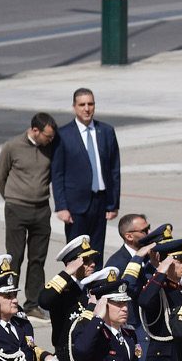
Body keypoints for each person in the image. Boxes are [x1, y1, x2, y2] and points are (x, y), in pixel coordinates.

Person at [0, 113, 58, 306]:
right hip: (17, 209)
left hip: (41, 209)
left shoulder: (50, 147)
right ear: (35, 130)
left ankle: (33, 303)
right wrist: (12, 198)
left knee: (38, 259)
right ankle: (9, 300)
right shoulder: (12, 147)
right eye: (47, 136)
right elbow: (0, 177)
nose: (50, 139)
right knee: (15, 257)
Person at [51, 88, 122, 253]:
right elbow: (57, 173)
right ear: (74, 107)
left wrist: (113, 203)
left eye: (90, 104)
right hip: (76, 205)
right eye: (82, 104)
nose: (87, 108)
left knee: (97, 252)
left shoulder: (106, 131)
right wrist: (61, 206)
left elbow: (114, 169)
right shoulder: (63, 135)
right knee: (77, 253)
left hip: (101, 201)